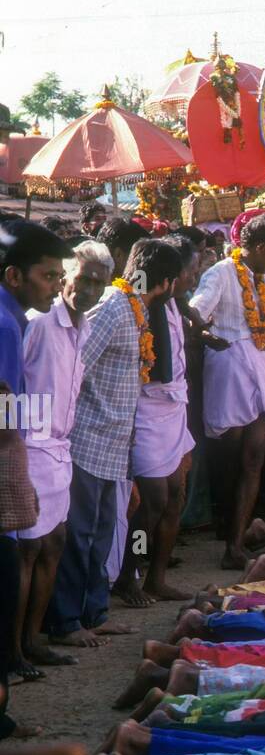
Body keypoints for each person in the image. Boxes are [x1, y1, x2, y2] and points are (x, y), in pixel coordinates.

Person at [47, 239, 182, 649]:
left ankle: (95, 613)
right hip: (89, 437)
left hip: (117, 440)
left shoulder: (137, 309)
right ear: (167, 282)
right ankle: (67, 622)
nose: (92, 288)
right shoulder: (114, 307)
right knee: (83, 534)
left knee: (104, 532)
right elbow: (76, 365)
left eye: (97, 280)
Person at [13, 241, 113, 681]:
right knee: (28, 551)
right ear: (64, 278)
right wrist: (21, 440)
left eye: (98, 282)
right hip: (31, 448)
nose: (89, 289)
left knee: (54, 546)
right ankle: (13, 649)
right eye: (82, 279)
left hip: (61, 450)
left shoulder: (83, 328)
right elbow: (11, 386)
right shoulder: (37, 324)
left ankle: (34, 641)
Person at [189, 213, 265, 570]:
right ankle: (228, 529)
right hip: (231, 369)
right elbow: (196, 309)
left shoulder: (261, 278)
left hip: (261, 365)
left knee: (254, 456)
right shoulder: (221, 272)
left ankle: (235, 545)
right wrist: (206, 334)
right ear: (256, 247)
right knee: (229, 458)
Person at [0, 219, 71, 741]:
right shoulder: (8, 324)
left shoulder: (13, 316)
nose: (55, 286)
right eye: (49, 276)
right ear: (15, 275)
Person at [114, 233, 199, 607]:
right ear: (168, 276)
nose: (193, 279)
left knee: (174, 496)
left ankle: (156, 578)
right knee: (152, 500)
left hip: (174, 408)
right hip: (147, 409)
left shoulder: (173, 304)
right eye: (188, 272)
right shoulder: (135, 305)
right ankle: (128, 574)